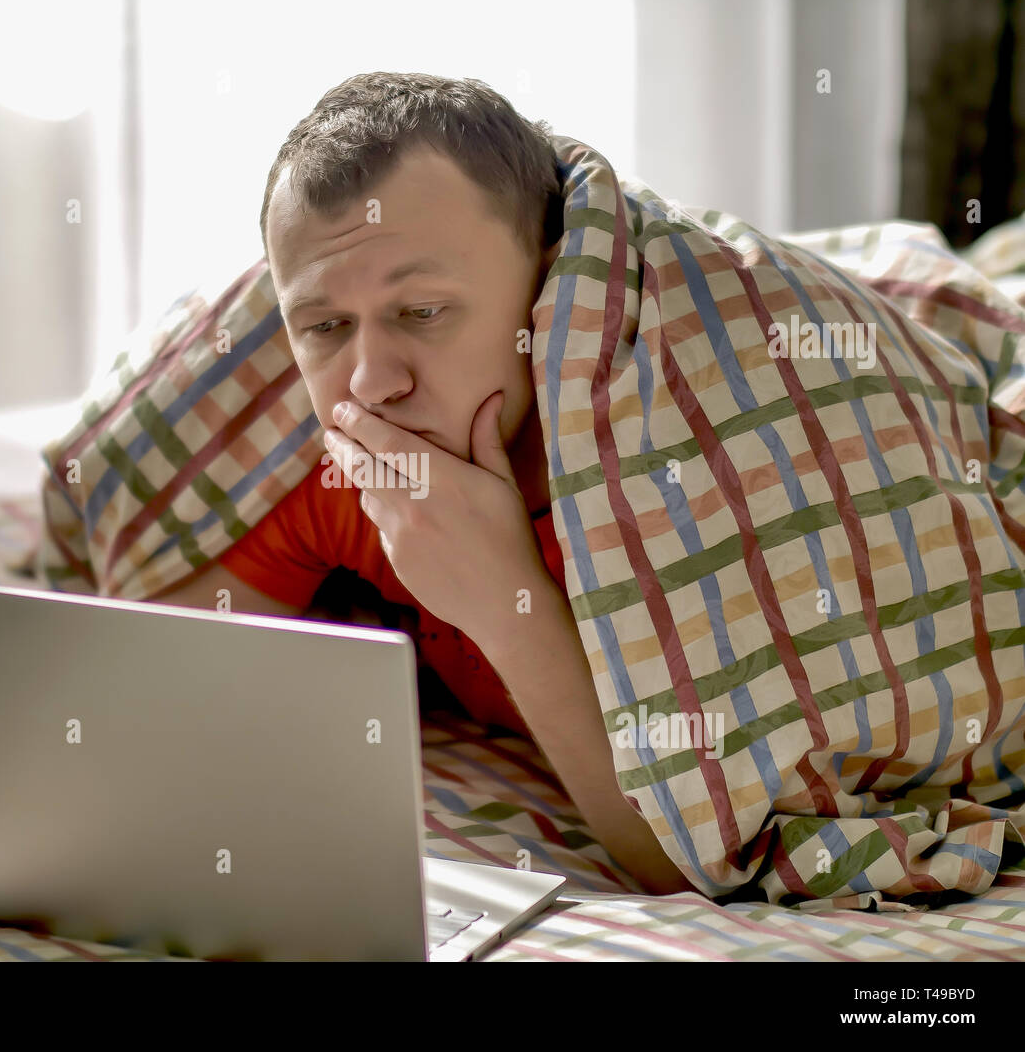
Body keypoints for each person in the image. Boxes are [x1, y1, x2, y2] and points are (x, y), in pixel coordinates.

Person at [156, 72, 693, 894]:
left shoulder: (657, 484)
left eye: (423, 312)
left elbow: (678, 855)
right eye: (326, 327)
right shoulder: (346, 479)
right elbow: (145, 686)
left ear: (552, 289)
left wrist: (500, 593)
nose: (370, 381)